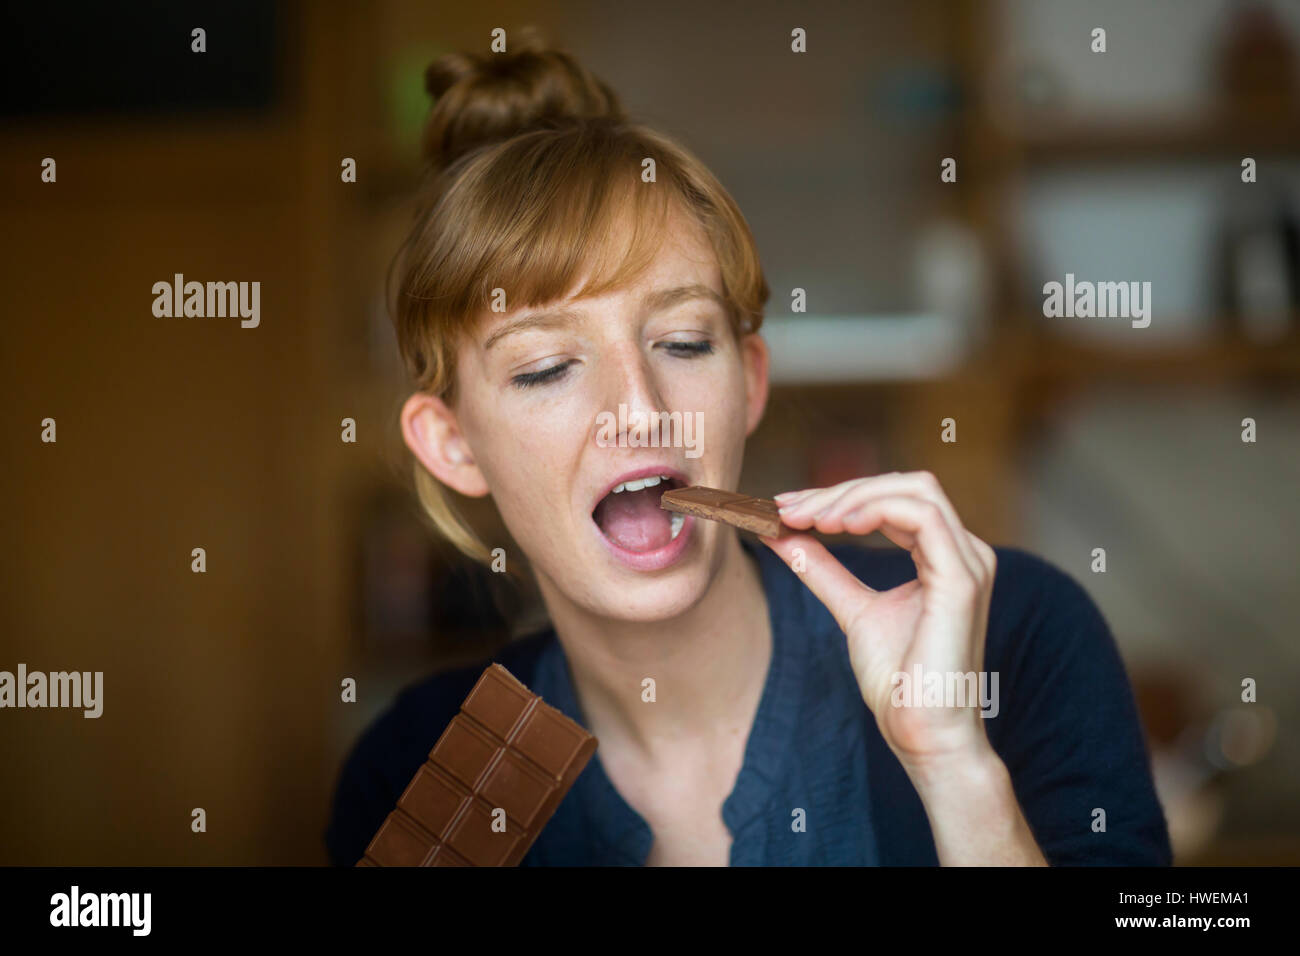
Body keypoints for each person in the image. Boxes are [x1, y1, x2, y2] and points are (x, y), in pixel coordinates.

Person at [325, 31, 1172, 866]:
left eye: (686, 343)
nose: (642, 411)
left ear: (750, 382)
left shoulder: (1014, 639)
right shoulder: (415, 770)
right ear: (452, 445)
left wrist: (953, 763)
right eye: (547, 367)